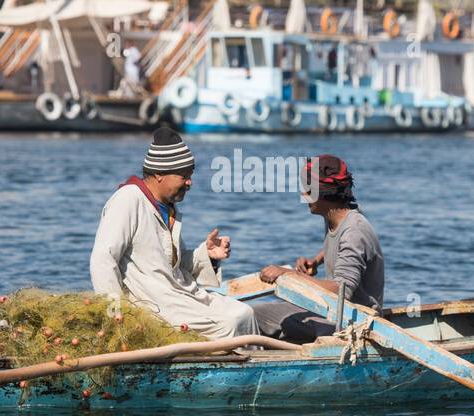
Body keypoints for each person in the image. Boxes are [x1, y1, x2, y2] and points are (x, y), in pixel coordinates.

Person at [90, 127, 258, 340]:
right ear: (159, 174)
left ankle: (262, 371)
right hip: (155, 306)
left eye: (190, 175)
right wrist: (115, 313)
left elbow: (173, 265)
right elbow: (103, 259)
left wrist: (206, 255)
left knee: (245, 313)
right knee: (228, 325)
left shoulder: (167, 208)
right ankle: (238, 372)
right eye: (184, 176)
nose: (190, 183)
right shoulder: (128, 199)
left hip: (181, 297)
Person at [252, 155, 384, 342]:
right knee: (255, 312)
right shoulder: (336, 216)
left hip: (353, 324)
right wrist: (317, 260)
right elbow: (342, 246)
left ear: (324, 193)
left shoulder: (354, 231)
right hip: (332, 312)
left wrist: (289, 274)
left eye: (307, 190)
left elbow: (341, 291)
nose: (304, 195)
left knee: (253, 317)